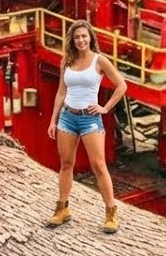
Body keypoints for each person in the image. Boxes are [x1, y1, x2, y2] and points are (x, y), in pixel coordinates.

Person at [46, 19, 128, 233]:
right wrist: (53, 119)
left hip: (90, 119)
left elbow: (121, 85)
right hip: (67, 117)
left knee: (99, 166)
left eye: (84, 36)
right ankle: (62, 209)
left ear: (91, 37)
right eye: (76, 37)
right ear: (72, 41)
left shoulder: (99, 61)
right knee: (66, 163)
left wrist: (105, 108)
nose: (81, 40)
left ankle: (111, 213)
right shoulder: (67, 61)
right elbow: (61, 92)